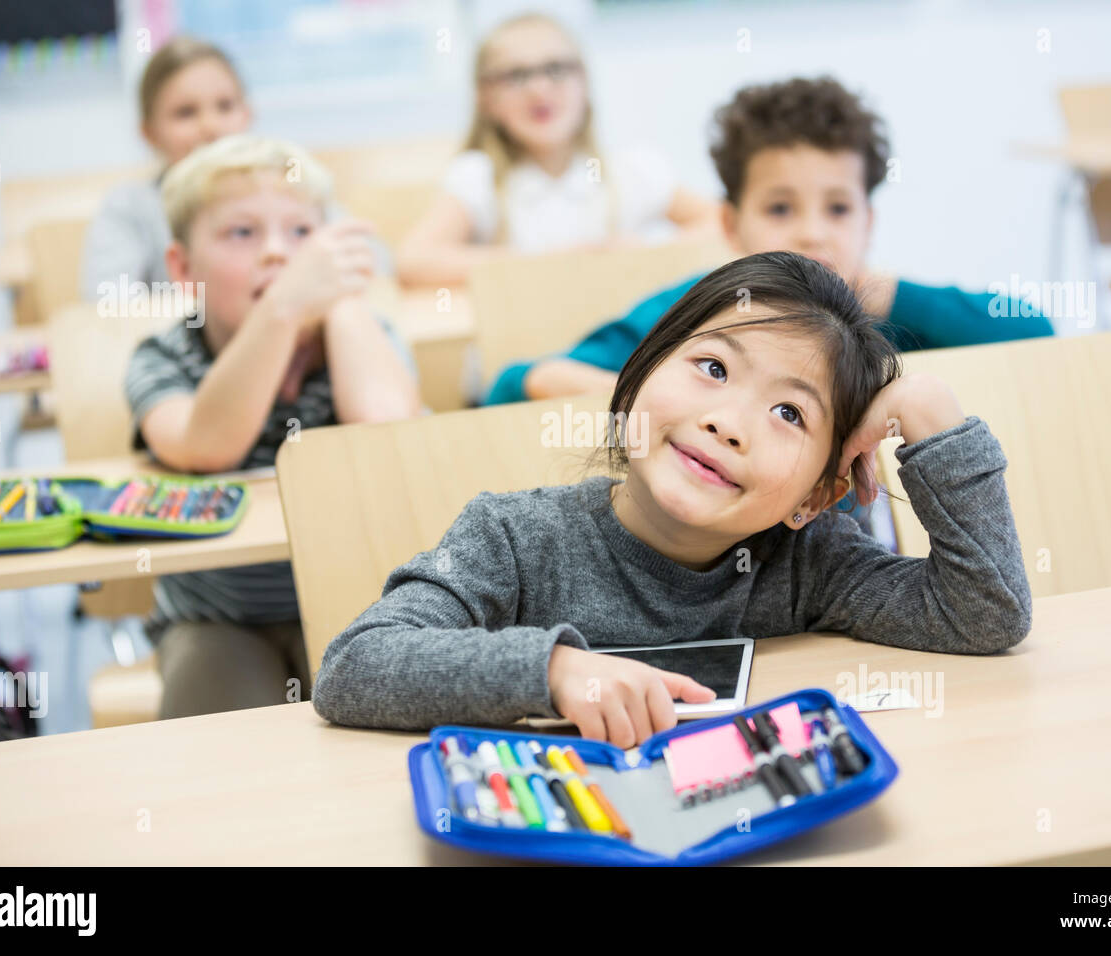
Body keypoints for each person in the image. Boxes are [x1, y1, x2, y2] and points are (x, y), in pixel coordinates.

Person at [312, 251, 1031, 748]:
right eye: (712, 367)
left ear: (817, 495)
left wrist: (932, 415)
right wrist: (555, 672)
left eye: (790, 414)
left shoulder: (812, 561)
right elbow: (354, 668)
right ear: (637, 376)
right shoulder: (513, 539)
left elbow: (985, 613)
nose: (728, 423)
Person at [484, 76, 1055, 407]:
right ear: (730, 225)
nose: (812, 230)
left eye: (838, 208)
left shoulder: (892, 315)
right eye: (780, 207)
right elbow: (513, 388)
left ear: (868, 222)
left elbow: (1035, 335)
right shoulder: (697, 310)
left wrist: (892, 297)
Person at [125, 134, 423, 718]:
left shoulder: (364, 337)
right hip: (217, 619)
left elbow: (387, 433)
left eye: (302, 234)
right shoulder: (163, 358)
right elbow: (206, 447)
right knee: (219, 743)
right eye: (242, 233)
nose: (278, 254)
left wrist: (338, 300)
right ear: (183, 268)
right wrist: (283, 308)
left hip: (365, 600)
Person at [395, 11, 718, 286]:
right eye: (516, 75)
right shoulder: (478, 178)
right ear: (486, 98)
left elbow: (722, 223)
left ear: (585, 83)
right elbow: (413, 259)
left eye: (556, 69)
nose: (539, 88)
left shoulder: (632, 170)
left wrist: (643, 250)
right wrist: (547, 265)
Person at [80, 35, 252, 299]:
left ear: (247, 115)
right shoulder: (130, 208)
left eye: (225, 106)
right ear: (150, 133)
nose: (210, 126)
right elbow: (109, 303)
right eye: (185, 112)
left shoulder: (294, 192)